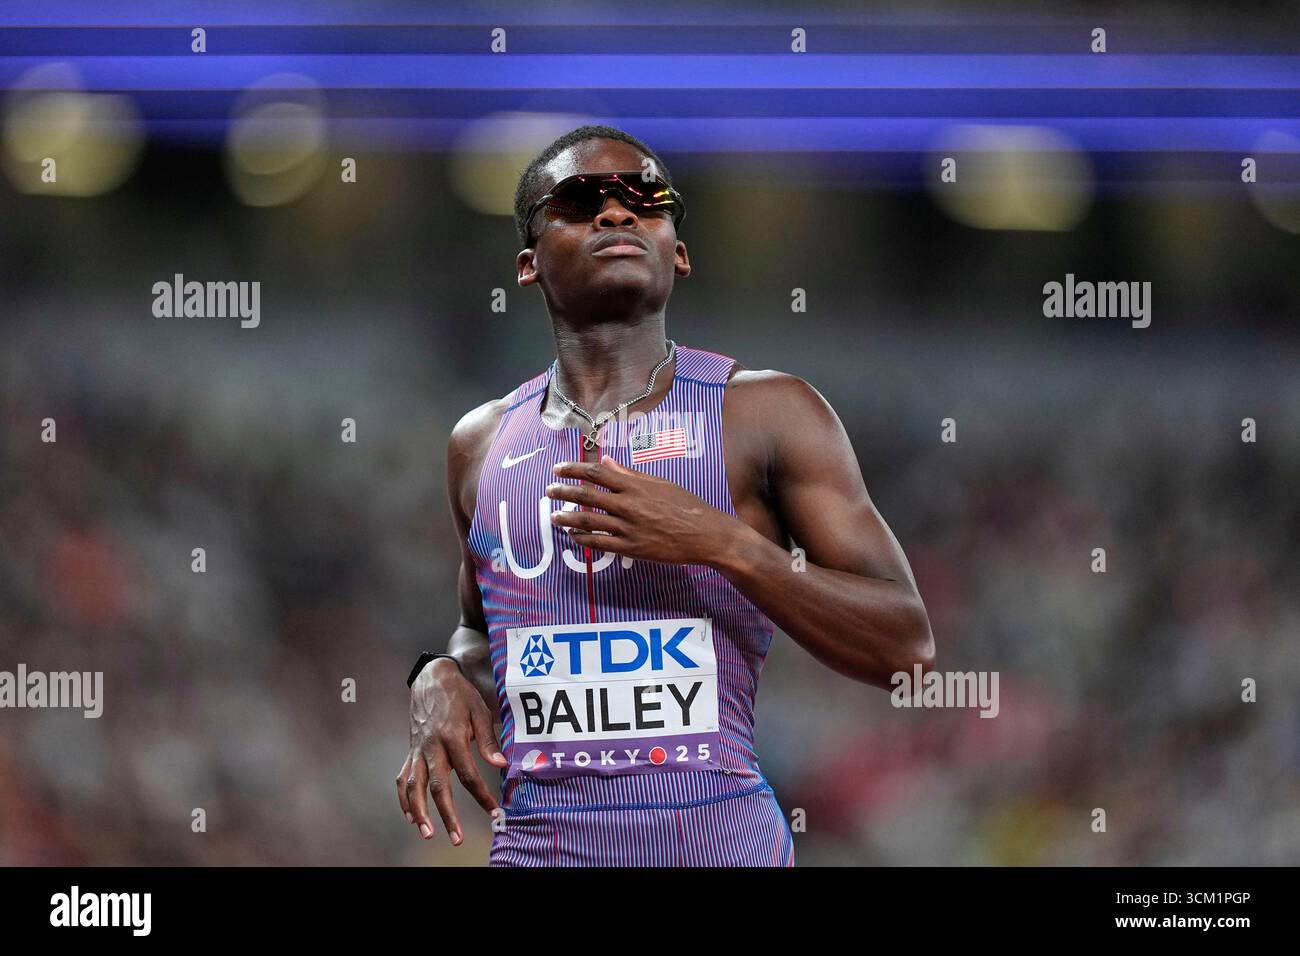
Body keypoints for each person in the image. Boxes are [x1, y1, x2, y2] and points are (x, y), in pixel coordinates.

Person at [396, 124, 934, 866]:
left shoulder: (767, 412)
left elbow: (907, 650)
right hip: (539, 851)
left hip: (718, 844)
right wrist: (438, 673)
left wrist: (726, 542)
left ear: (677, 251)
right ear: (527, 264)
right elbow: (485, 631)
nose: (616, 214)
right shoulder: (480, 443)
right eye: (580, 201)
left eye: (646, 200)